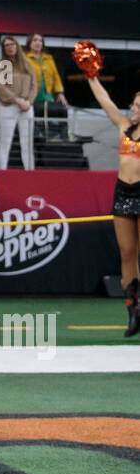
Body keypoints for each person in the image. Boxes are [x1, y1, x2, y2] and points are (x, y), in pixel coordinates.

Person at [74, 41, 140, 336]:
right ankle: (133, 309)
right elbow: (106, 102)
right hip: (123, 194)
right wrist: (92, 77)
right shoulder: (123, 125)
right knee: (127, 253)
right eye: (135, 104)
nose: (134, 108)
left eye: (139, 105)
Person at [0, 34, 36, 169]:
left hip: (27, 107)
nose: (10, 47)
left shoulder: (26, 64)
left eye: (12, 44)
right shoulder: (4, 64)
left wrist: (29, 102)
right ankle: (2, 171)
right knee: (5, 141)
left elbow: (34, 85)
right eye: (6, 45)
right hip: (8, 106)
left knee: (27, 143)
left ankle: (30, 172)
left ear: (17, 46)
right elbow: (1, 87)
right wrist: (17, 100)